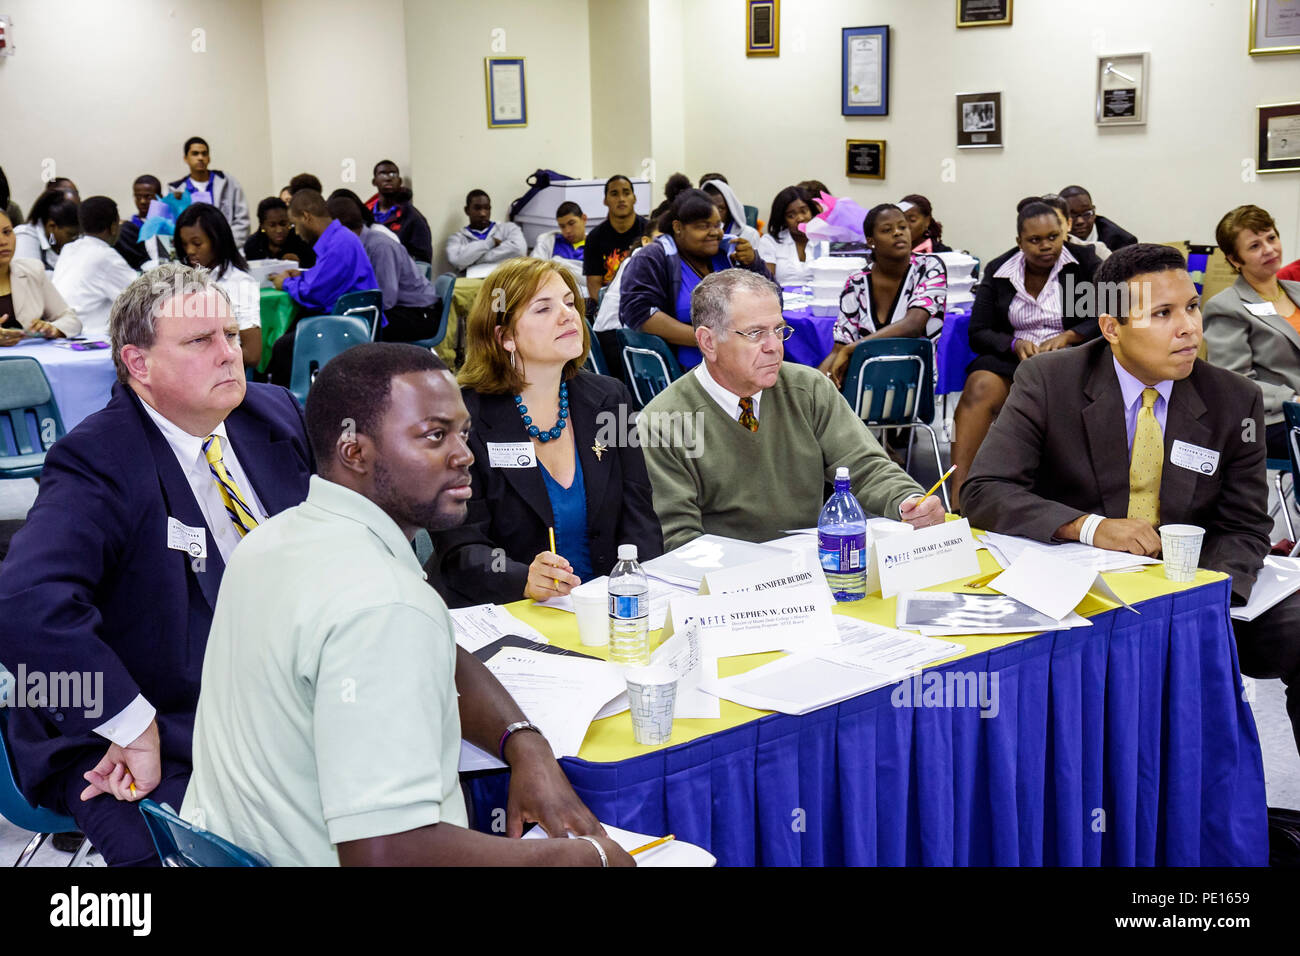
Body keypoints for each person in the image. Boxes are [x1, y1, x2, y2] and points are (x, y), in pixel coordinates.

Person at [181, 343, 631, 867]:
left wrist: (522, 741)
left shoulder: (271, 541)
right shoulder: (384, 605)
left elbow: (441, 651)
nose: (465, 454)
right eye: (435, 436)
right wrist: (576, 860)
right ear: (355, 452)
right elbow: (384, 854)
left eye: (463, 433)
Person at [0, 264, 313, 866]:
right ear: (139, 365)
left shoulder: (270, 414)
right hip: (151, 724)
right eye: (201, 341)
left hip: (281, 699)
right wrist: (128, 722)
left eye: (230, 333)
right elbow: (22, 606)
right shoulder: (99, 459)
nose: (230, 354)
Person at [961, 244, 1300, 756]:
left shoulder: (1233, 399)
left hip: (1195, 590)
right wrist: (1089, 526)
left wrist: (1199, 601)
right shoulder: (1049, 381)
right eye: (1162, 314)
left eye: (1191, 306)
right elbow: (985, 491)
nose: (1188, 327)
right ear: (1112, 327)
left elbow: (1245, 526)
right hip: (1081, 593)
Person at [638, 269, 946, 550]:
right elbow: (678, 538)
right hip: (724, 585)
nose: (774, 346)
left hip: (811, 568)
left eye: (779, 330)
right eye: (755, 333)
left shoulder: (808, 389)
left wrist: (908, 501)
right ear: (707, 342)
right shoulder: (663, 422)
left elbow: (865, 466)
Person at [432, 258, 662, 606]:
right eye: (543, 308)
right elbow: (460, 549)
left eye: (570, 303)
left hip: (605, 610)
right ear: (505, 336)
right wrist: (522, 579)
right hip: (508, 614)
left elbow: (640, 516)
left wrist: (636, 597)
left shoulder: (610, 398)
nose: (568, 315)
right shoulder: (465, 418)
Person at [950, 201, 1101, 510]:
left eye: (1053, 237)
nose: (1046, 246)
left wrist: (1071, 336)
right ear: (1019, 242)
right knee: (979, 385)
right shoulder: (998, 270)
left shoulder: (1086, 263)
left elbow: (1112, 313)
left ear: (1064, 233)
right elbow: (978, 332)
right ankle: (960, 497)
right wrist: (1013, 343)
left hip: (1072, 361)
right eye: (1035, 240)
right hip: (1014, 363)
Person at [618, 189, 772, 370]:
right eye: (703, 226)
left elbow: (773, 300)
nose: (714, 232)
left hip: (742, 358)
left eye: (717, 225)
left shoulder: (729, 252)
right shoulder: (653, 257)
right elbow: (639, 312)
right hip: (681, 369)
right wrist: (710, 341)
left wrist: (754, 263)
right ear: (678, 227)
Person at [1202, 205, 1300, 460]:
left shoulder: (1296, 290)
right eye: (1254, 246)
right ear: (1235, 260)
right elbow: (1234, 383)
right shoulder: (1226, 307)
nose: (1269, 249)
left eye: (1271, 238)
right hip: (1274, 419)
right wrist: (1293, 400)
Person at [819, 203, 948, 386]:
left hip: (912, 383)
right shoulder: (856, 282)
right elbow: (839, 348)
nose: (898, 232)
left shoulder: (929, 268)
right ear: (871, 241)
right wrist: (815, 391)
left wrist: (853, 349)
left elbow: (913, 325)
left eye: (903, 227)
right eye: (887, 230)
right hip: (863, 383)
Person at [266, 189, 378, 385]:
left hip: (344, 325)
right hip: (347, 319)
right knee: (290, 331)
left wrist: (284, 282)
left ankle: (284, 406)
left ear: (306, 217)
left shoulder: (339, 244)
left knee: (282, 347)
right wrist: (304, 275)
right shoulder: (339, 238)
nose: (297, 232)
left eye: (295, 224)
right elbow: (325, 279)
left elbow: (314, 293)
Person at [328, 191, 439, 343]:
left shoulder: (379, 247)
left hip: (417, 313)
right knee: (343, 322)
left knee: (353, 330)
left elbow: (385, 300)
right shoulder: (356, 245)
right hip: (397, 309)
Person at [174, 203, 263, 368]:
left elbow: (252, 354)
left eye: (197, 243)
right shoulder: (184, 279)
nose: (190, 251)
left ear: (217, 241)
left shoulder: (239, 283)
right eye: (185, 244)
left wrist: (199, 357)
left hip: (222, 372)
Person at [52, 197, 137, 340]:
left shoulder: (69, 249)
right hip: (90, 336)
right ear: (114, 227)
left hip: (60, 330)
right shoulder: (105, 256)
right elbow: (140, 296)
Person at [0, 210, 81, 344]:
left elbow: (71, 319)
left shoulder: (32, 271)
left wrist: (53, 329)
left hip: (31, 360)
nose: (3, 241)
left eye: (7, 232)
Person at [168, 136, 251, 245]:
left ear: (209, 158)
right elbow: (170, 226)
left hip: (226, 249)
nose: (200, 157)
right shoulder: (175, 190)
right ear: (185, 158)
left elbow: (242, 220)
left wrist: (226, 245)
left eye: (204, 153)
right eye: (195, 154)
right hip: (191, 252)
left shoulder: (228, 182)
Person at [582, 175, 646, 300]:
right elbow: (594, 284)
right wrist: (606, 305)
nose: (621, 199)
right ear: (605, 201)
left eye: (626, 193)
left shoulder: (649, 231)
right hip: (608, 303)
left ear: (634, 198)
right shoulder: (594, 238)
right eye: (614, 194)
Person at [365, 160, 433, 264]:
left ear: (400, 181)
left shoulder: (413, 218)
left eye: (393, 174)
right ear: (374, 181)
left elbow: (423, 262)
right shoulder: (363, 215)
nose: (388, 178)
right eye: (383, 174)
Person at [445, 189, 525, 275]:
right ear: (467, 210)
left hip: (503, 279)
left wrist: (472, 260)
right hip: (472, 284)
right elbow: (457, 261)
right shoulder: (457, 238)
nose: (483, 213)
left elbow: (519, 251)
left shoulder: (508, 229)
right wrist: (490, 243)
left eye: (486, 208)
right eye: (477, 208)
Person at [757, 185, 817, 286]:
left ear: (811, 211)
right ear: (783, 220)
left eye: (804, 211)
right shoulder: (770, 241)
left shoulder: (825, 240)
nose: (800, 218)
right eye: (791, 216)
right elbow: (767, 284)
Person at [13, 190, 80, 272]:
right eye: (70, 234)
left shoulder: (62, 241)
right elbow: (28, 276)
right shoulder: (25, 236)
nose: (73, 240)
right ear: (52, 226)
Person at [1059, 184, 1137, 252]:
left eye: (1086, 213)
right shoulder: (1053, 239)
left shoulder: (1123, 242)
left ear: (1094, 213)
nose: (1080, 221)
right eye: (1072, 215)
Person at [243, 196, 317, 267]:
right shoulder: (252, 246)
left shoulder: (302, 241)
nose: (279, 230)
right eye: (272, 225)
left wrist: (299, 264)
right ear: (262, 226)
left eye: (283, 224)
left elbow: (313, 269)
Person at [1036, 193, 1109, 262]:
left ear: (1068, 224)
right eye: (1044, 224)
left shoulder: (1096, 251)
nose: (1050, 229)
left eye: (1056, 222)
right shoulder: (1030, 256)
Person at [113, 175, 162, 270]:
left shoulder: (168, 225)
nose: (142, 201)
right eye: (138, 196)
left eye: (148, 197)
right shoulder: (127, 228)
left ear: (159, 197)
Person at [700, 179, 761, 247]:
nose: (715, 215)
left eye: (720, 209)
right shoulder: (698, 235)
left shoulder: (749, 234)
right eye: (709, 209)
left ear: (730, 210)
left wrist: (751, 257)